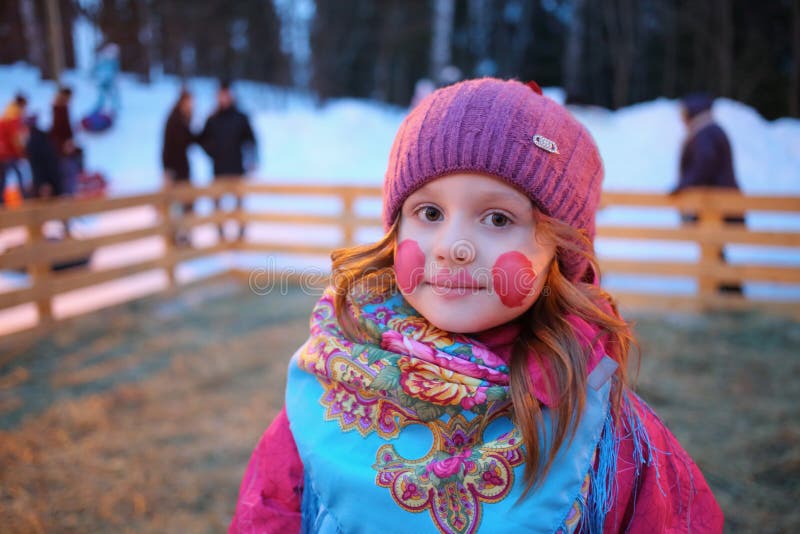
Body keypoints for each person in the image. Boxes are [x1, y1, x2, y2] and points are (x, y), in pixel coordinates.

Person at [229, 79, 724, 533]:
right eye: (429, 212)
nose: (452, 246)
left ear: (560, 253)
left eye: (497, 218)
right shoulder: (326, 389)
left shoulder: (606, 431)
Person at [673, 93, 743, 294]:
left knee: (714, 250)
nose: (682, 117)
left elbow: (705, 164)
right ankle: (729, 294)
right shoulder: (709, 131)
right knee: (715, 251)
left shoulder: (705, 133)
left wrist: (684, 185)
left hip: (714, 204)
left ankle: (729, 295)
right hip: (718, 203)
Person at [199, 80, 256, 241]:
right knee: (217, 204)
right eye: (221, 95)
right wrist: (212, 152)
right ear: (217, 97)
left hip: (237, 169)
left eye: (226, 95)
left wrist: (251, 160)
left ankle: (241, 233)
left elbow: (251, 140)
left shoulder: (240, 117)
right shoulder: (212, 119)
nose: (224, 98)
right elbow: (202, 140)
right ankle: (220, 234)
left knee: (239, 204)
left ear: (231, 96)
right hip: (218, 170)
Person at [162, 88, 198, 246]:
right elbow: (167, 147)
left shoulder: (185, 119)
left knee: (188, 204)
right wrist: (167, 171)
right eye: (188, 102)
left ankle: (186, 237)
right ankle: (175, 238)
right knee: (176, 206)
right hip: (175, 170)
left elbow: (190, 140)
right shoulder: (174, 120)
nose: (190, 105)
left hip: (184, 169)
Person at [50, 86, 82, 196]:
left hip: (63, 145)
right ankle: (68, 194)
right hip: (62, 147)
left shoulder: (61, 107)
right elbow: (59, 129)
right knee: (68, 171)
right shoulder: (60, 109)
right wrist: (66, 143)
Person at [0, 93, 30, 204]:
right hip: (10, 154)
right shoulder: (14, 116)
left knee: (3, 180)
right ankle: (25, 201)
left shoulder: (7, 113)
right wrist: (22, 152)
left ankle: (2, 204)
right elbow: (15, 137)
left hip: (3, 153)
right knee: (22, 177)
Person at [25, 113, 63, 199]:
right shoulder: (43, 137)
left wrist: (43, 182)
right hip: (49, 177)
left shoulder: (34, 141)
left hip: (44, 178)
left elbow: (39, 163)